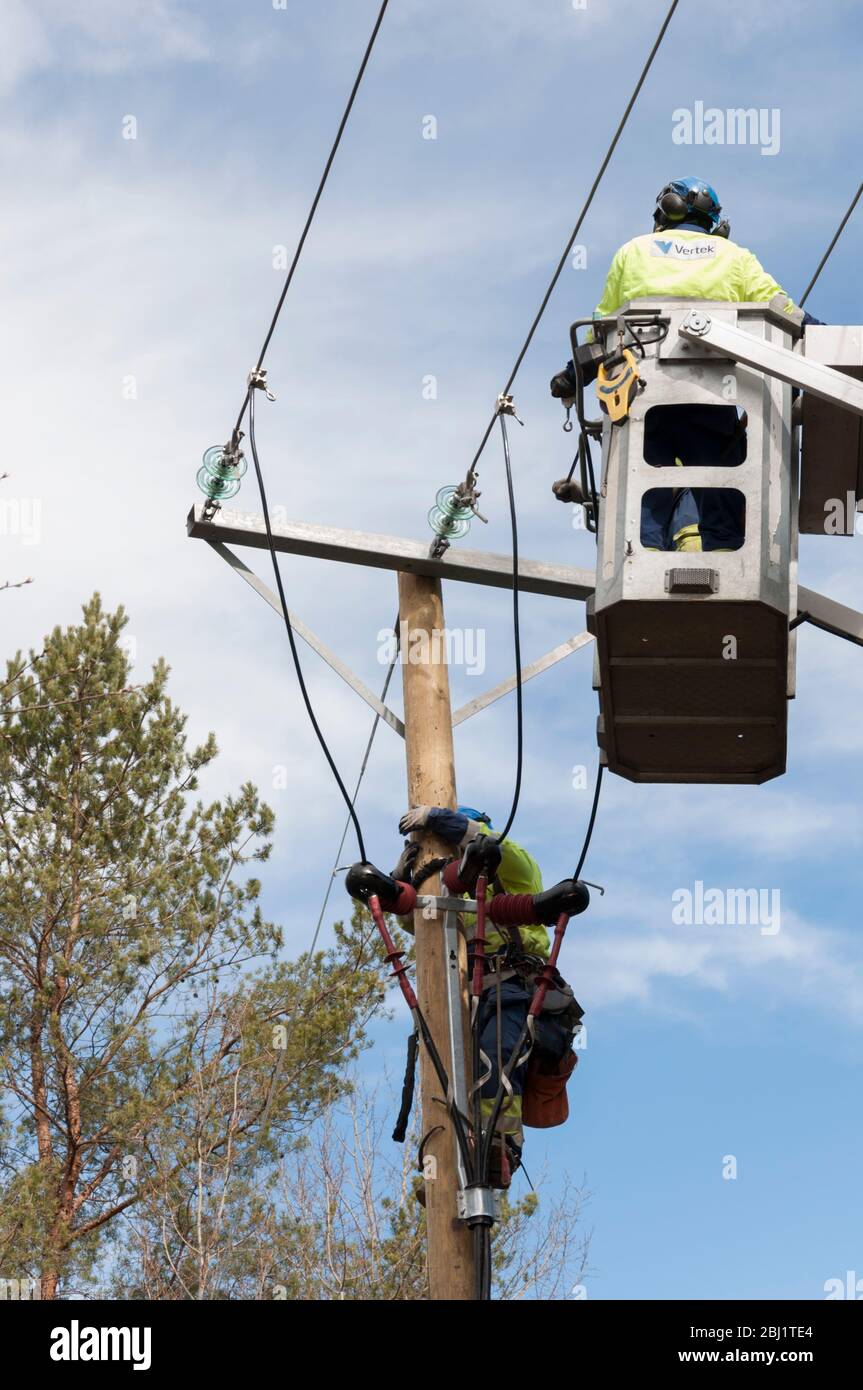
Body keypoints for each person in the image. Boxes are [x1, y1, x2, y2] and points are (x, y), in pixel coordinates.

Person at [590, 176, 815, 551]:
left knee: (645, 477)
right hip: (713, 393)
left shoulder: (632, 251)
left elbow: (601, 328)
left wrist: (572, 371)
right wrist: (827, 336)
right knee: (722, 472)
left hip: (641, 394)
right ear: (714, 223)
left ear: (665, 210)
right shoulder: (734, 258)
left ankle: (642, 551)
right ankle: (725, 549)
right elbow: (783, 311)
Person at [395, 805, 582, 1188]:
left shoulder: (515, 866)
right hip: (468, 997)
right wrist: (404, 882)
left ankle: (500, 1147)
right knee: (450, 1074)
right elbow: (421, 922)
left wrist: (436, 818)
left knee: (495, 1061)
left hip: (517, 987)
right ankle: (448, 1169)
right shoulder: (456, 884)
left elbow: (487, 843)